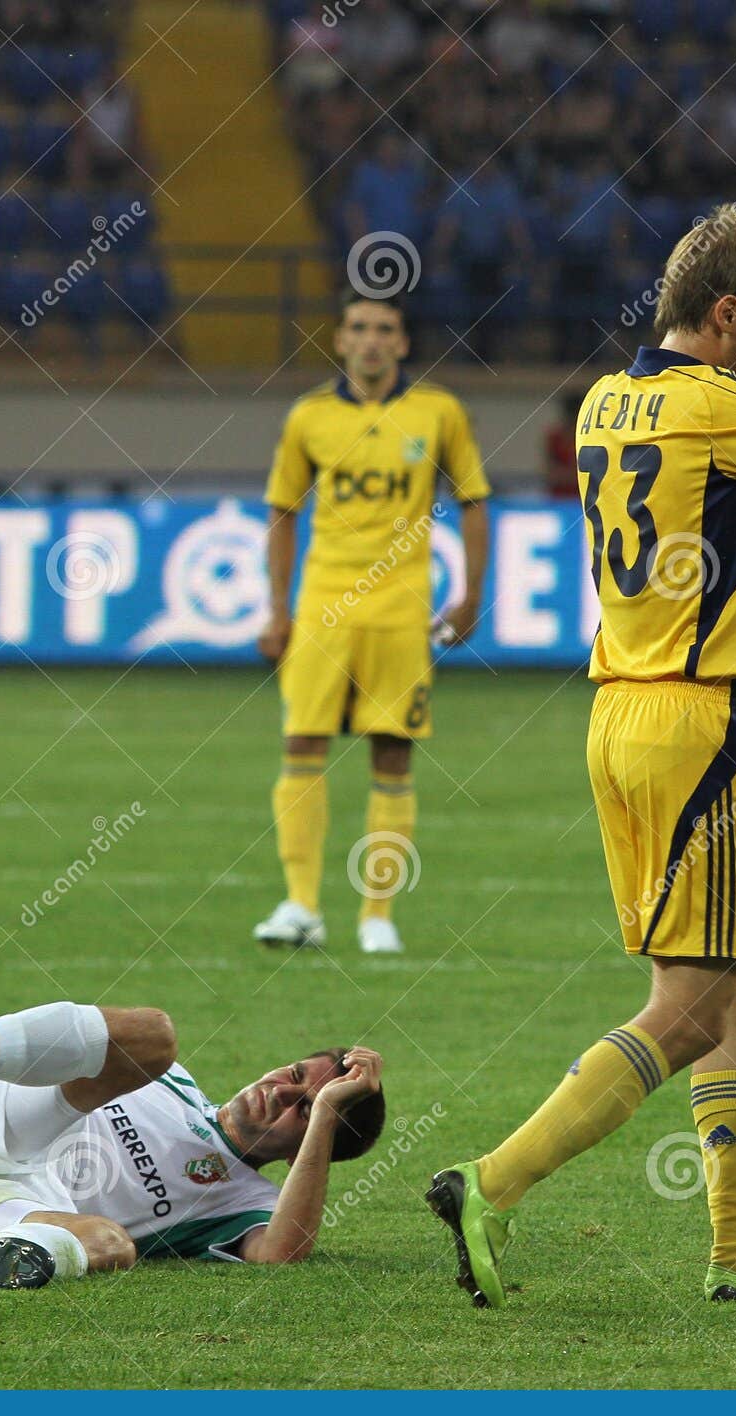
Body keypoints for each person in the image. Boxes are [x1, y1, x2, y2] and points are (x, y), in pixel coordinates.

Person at [425, 205, 736, 1308]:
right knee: (693, 1005)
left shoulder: (610, 397)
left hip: (621, 714)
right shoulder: (719, 403)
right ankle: (490, 1182)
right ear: (725, 314)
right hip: (697, 723)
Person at [0, 1001, 385, 1289]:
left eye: (305, 1109)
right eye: (293, 1074)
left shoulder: (244, 1203)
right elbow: (40, 1050)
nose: (280, 1092)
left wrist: (330, 1114)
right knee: (155, 1037)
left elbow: (282, 1253)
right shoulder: (171, 1080)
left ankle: (1, 1259)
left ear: (306, 1145)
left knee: (112, 1244)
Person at [254, 291, 489, 954]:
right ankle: (301, 907)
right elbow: (282, 511)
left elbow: (473, 500)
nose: (372, 340)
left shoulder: (438, 412)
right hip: (323, 608)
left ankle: (376, 914)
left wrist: (471, 596)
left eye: (385, 329)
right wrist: (277, 607)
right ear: (341, 341)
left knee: (393, 754)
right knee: (302, 744)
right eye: (359, 328)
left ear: (404, 343)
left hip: (399, 611)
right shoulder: (310, 417)